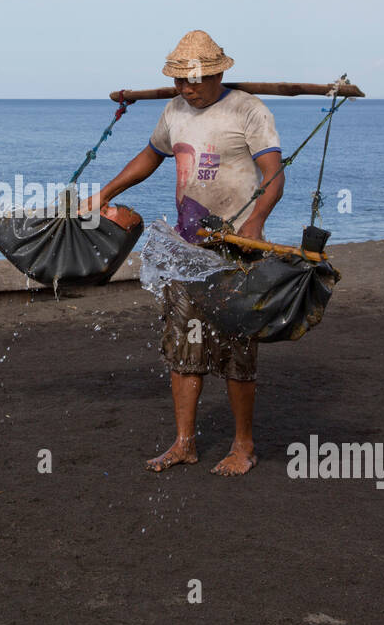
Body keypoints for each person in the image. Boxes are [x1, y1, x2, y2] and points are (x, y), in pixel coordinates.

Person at [80, 30, 283, 476]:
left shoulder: (248, 109)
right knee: (183, 347)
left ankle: (243, 446)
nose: (185, 89)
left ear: (217, 73)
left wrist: (256, 221)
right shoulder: (174, 110)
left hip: (236, 252)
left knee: (236, 351)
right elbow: (151, 156)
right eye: (179, 82)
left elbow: (273, 172)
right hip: (186, 249)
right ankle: (184, 444)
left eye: (193, 81)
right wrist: (106, 192)